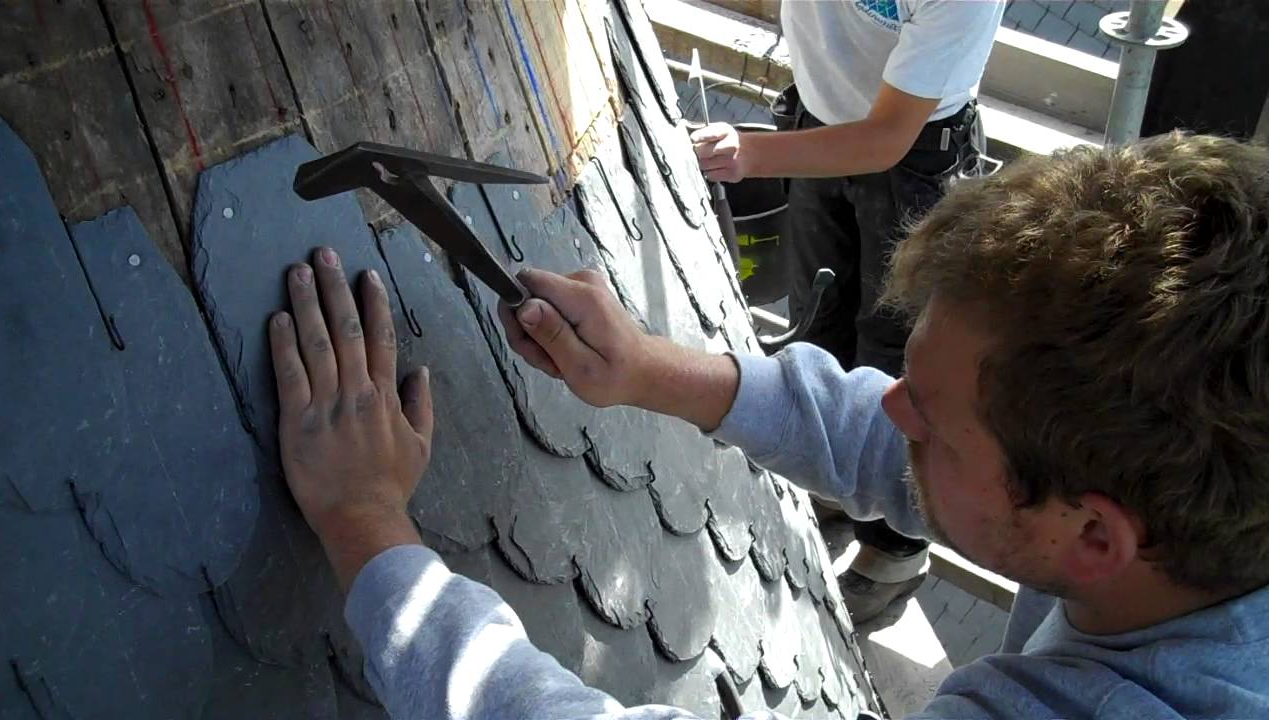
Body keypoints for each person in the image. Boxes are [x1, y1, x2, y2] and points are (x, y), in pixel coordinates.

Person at [267, 133, 1269, 719]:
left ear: (1095, 537)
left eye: (930, 423)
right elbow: (920, 462)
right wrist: (650, 368)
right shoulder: (1196, 518)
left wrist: (368, 529)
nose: (889, 412)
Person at [691, 0, 1006, 620]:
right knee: (820, 319)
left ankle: (894, 551)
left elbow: (886, 137)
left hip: (914, 156)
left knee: (899, 356)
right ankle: (833, 484)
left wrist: (750, 155)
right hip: (821, 128)